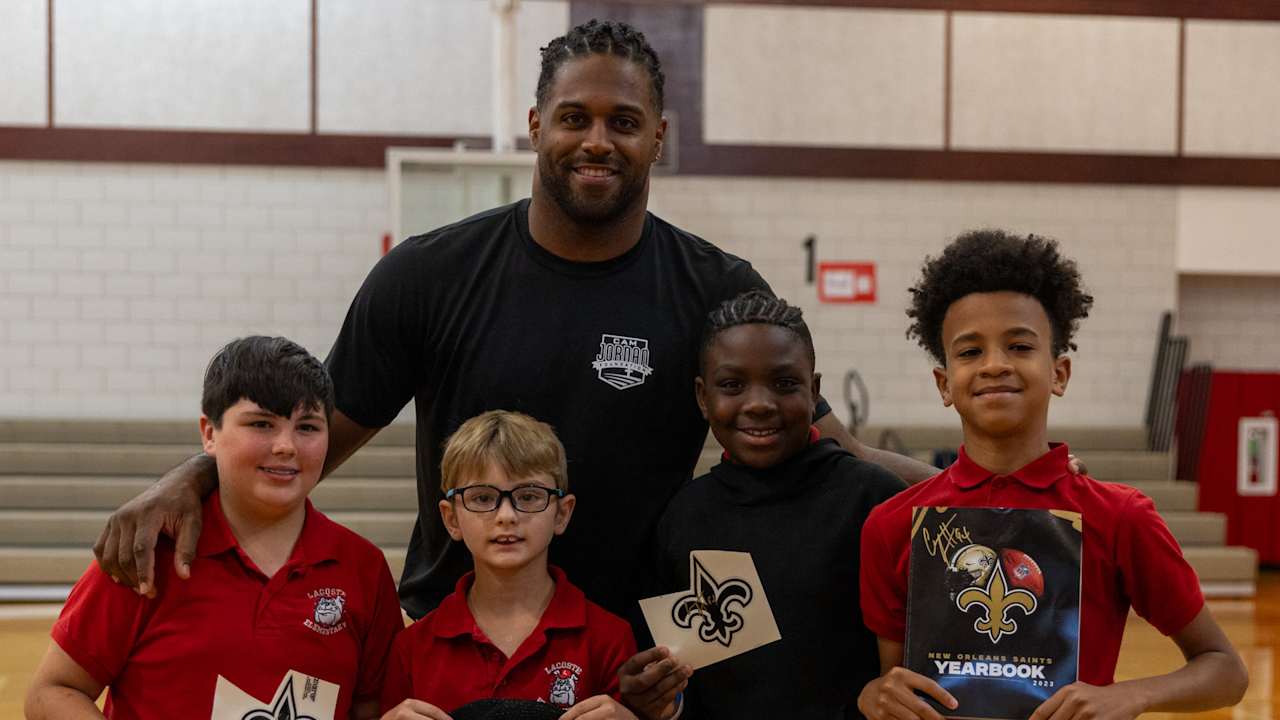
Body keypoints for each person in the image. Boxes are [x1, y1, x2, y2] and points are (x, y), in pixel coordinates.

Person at [92, 19, 939, 622]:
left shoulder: (716, 289)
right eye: (574, 118)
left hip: (631, 659)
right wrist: (185, 481)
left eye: (624, 122)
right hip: (456, 641)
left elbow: (839, 457)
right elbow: (305, 447)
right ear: (536, 126)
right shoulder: (427, 275)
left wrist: (986, 496)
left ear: (660, 139)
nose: (596, 140)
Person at [856, 231, 1248, 720]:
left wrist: (1130, 694)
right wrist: (875, 693)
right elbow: (893, 685)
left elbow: (1226, 670)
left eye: (1019, 345)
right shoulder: (891, 526)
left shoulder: (1121, 517)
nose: (995, 365)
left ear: (1059, 373)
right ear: (944, 383)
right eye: (970, 351)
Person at [25, 336, 404, 720]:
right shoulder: (147, 553)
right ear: (209, 433)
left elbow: (369, 709)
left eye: (307, 427)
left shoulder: (363, 569)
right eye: (261, 424)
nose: (286, 445)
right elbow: (53, 691)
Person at [617, 291, 906, 719]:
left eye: (785, 383)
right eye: (732, 385)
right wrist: (658, 699)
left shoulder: (872, 499)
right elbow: (681, 680)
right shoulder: (684, 516)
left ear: (815, 392)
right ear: (702, 396)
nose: (758, 403)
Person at [380, 410, 636, 720]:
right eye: (483, 498)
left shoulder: (609, 638)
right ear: (451, 518)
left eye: (529, 496)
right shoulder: (412, 648)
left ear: (561, 514)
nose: (506, 516)